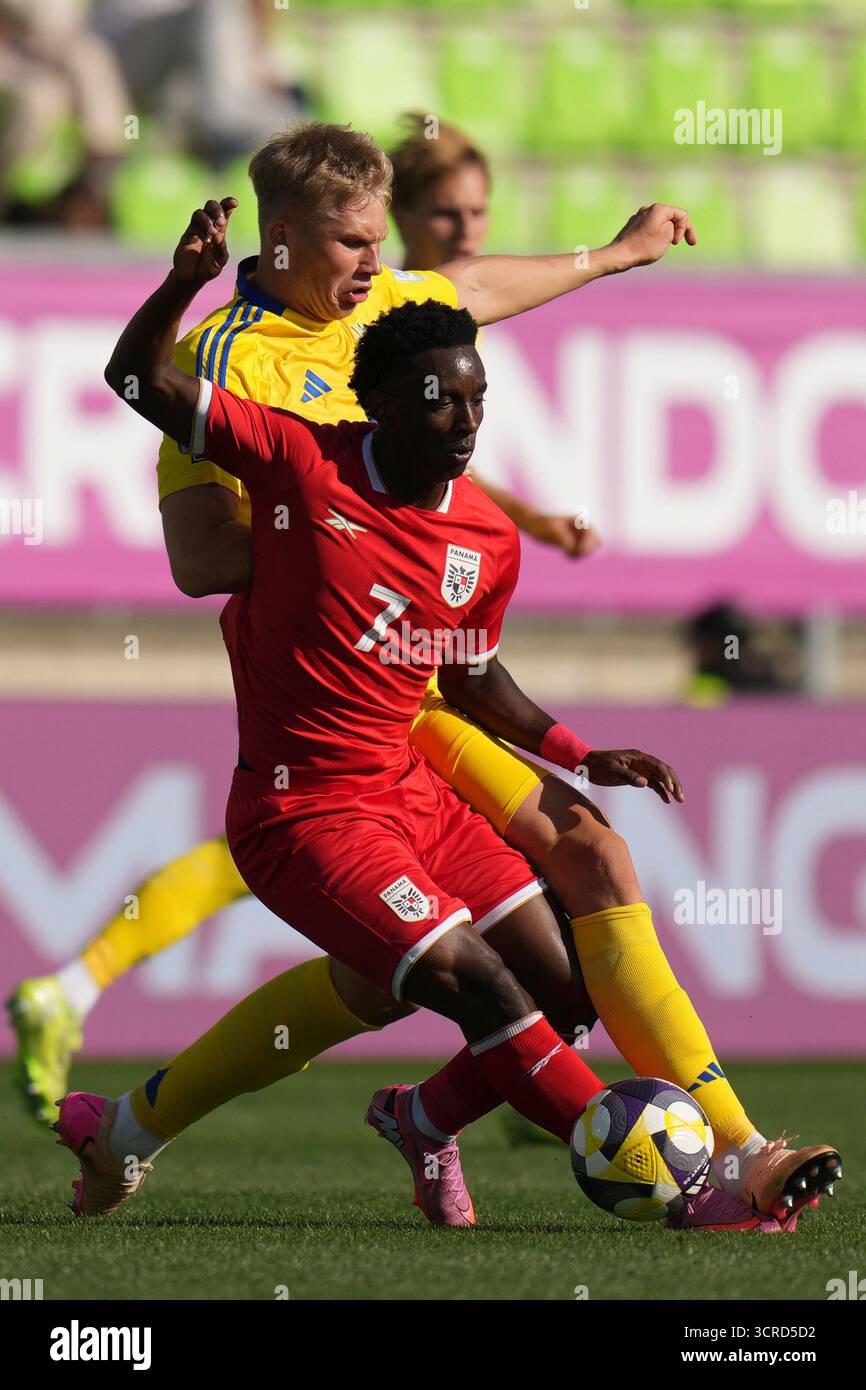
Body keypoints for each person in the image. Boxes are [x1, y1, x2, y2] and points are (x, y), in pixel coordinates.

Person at [11, 124, 835, 1229]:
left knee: (525, 911)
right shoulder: (231, 358)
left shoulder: (392, 323)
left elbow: (461, 292)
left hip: (420, 680)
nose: (375, 260)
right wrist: (342, 546)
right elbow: (200, 556)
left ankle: (197, 1124)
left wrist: (608, 255)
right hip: (345, 690)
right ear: (287, 238)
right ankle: (715, 1160)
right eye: (355, 241)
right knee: (479, 948)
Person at [389, 112, 599, 560]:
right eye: (446, 214)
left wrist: (532, 520)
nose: (467, 232)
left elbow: (442, 461)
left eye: (477, 212)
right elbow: (416, 460)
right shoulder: (389, 316)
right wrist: (531, 520)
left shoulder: (458, 318)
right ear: (399, 215)